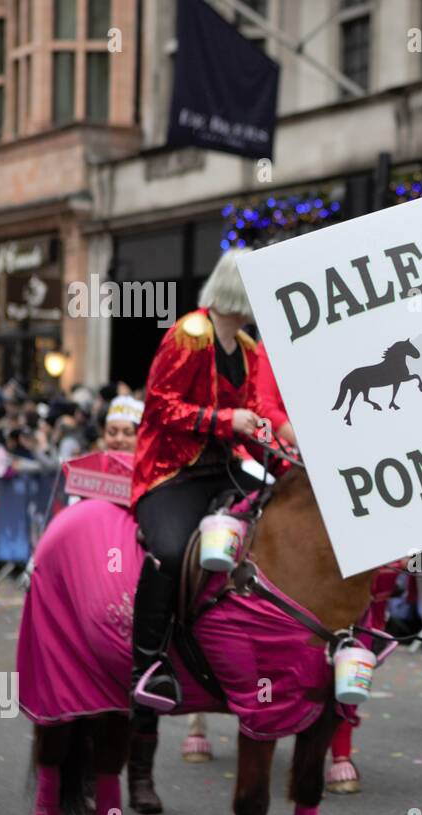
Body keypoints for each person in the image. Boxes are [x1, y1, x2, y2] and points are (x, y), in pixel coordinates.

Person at [128, 249, 283, 715]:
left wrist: (260, 429)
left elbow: (250, 412)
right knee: (171, 552)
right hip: (172, 473)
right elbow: (159, 407)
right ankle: (147, 665)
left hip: (227, 468)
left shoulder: (251, 349)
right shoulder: (189, 335)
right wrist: (226, 419)